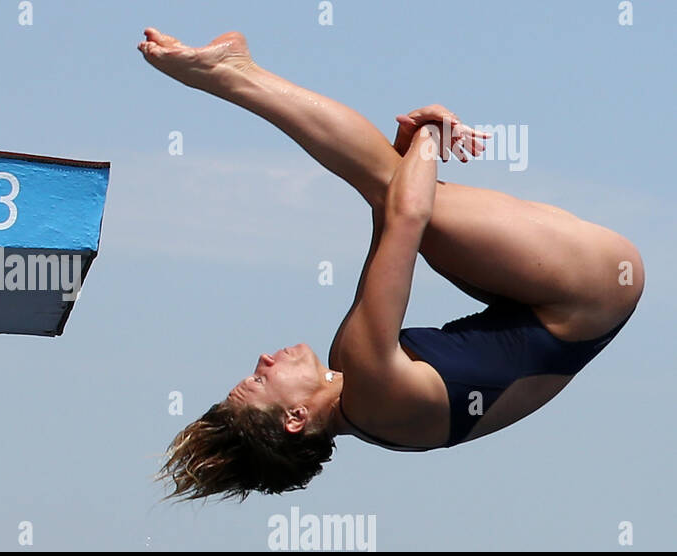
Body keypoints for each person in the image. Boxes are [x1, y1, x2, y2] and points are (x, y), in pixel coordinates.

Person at [139, 28, 644, 502]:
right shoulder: (370, 384)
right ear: (295, 417)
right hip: (589, 289)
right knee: (387, 179)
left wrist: (412, 161)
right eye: (258, 381)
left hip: (551, 308)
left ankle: (235, 71)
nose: (263, 362)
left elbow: (393, 225)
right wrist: (428, 136)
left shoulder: (358, 394)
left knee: (388, 182)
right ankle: (234, 72)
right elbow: (406, 215)